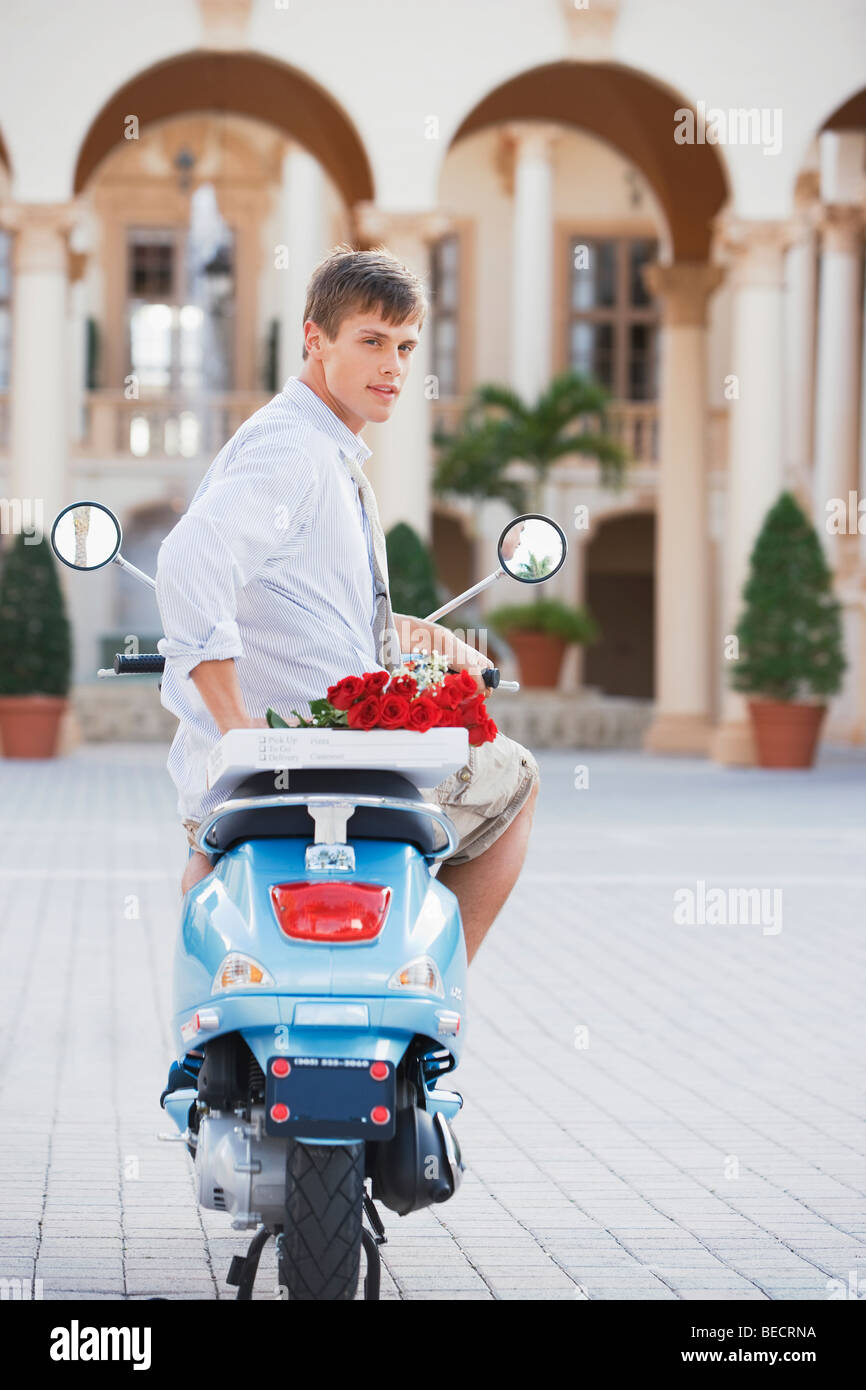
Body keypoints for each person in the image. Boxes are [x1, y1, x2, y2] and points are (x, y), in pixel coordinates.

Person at [155, 245, 539, 966]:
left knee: (206, 848)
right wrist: (242, 732)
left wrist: (416, 635)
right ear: (315, 340)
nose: (393, 366)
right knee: (515, 776)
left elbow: (292, 603)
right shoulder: (294, 448)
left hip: (261, 771)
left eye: (405, 346)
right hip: (315, 760)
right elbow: (188, 561)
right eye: (370, 342)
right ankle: (432, 982)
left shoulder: (319, 449)